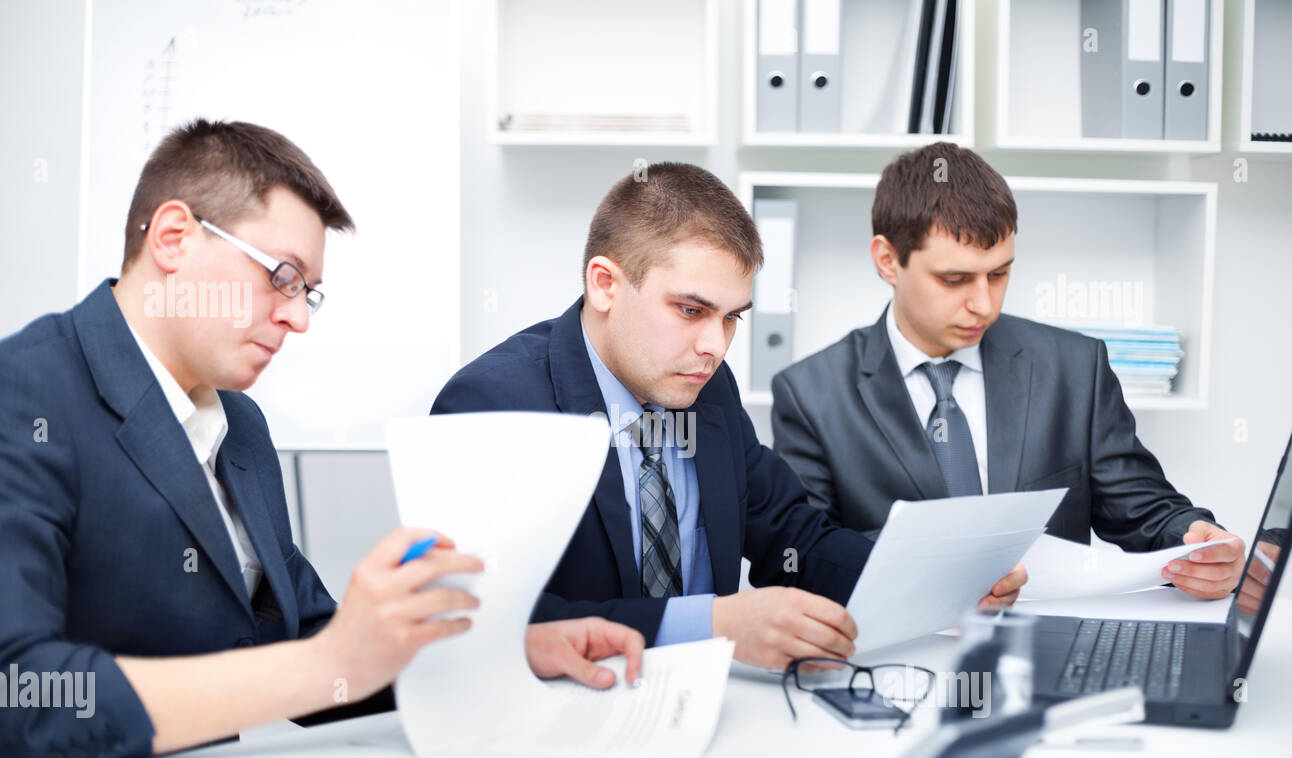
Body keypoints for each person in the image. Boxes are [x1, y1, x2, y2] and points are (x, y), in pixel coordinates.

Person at [0, 120, 641, 758]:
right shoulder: (20, 393)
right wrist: (323, 666)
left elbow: (309, 634)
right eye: (281, 276)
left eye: (308, 292)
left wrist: (507, 653)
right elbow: (11, 690)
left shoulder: (237, 425)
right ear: (173, 238)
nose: (297, 318)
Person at [431, 162, 1026, 672]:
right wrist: (710, 624)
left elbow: (794, 537)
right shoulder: (491, 404)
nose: (715, 345)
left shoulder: (705, 388)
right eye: (691, 310)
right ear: (605, 284)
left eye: (732, 317)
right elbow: (485, 623)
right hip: (566, 735)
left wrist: (938, 581)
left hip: (710, 715)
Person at [770, 142, 1244, 601]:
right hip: (897, 658)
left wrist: (1195, 541)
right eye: (954, 279)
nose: (984, 304)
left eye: (999, 274)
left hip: (1049, 647)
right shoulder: (811, 394)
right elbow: (801, 557)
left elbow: (1141, 505)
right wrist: (940, 570)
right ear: (888, 260)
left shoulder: (1074, 367)